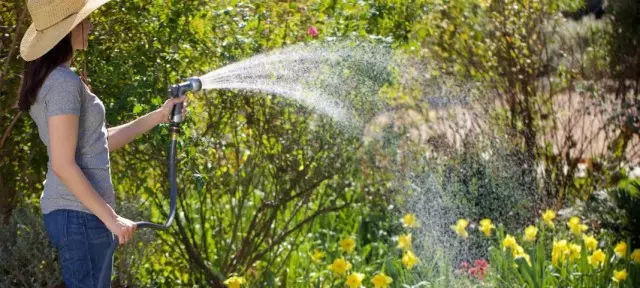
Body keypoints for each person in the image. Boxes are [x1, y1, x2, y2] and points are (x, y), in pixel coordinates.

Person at [16, 0, 187, 287]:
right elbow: (62, 163)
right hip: (78, 214)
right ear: (68, 30)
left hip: (80, 213)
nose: (91, 25)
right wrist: (112, 219)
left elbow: (99, 141)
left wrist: (158, 116)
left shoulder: (59, 79)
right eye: (85, 20)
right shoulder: (62, 83)